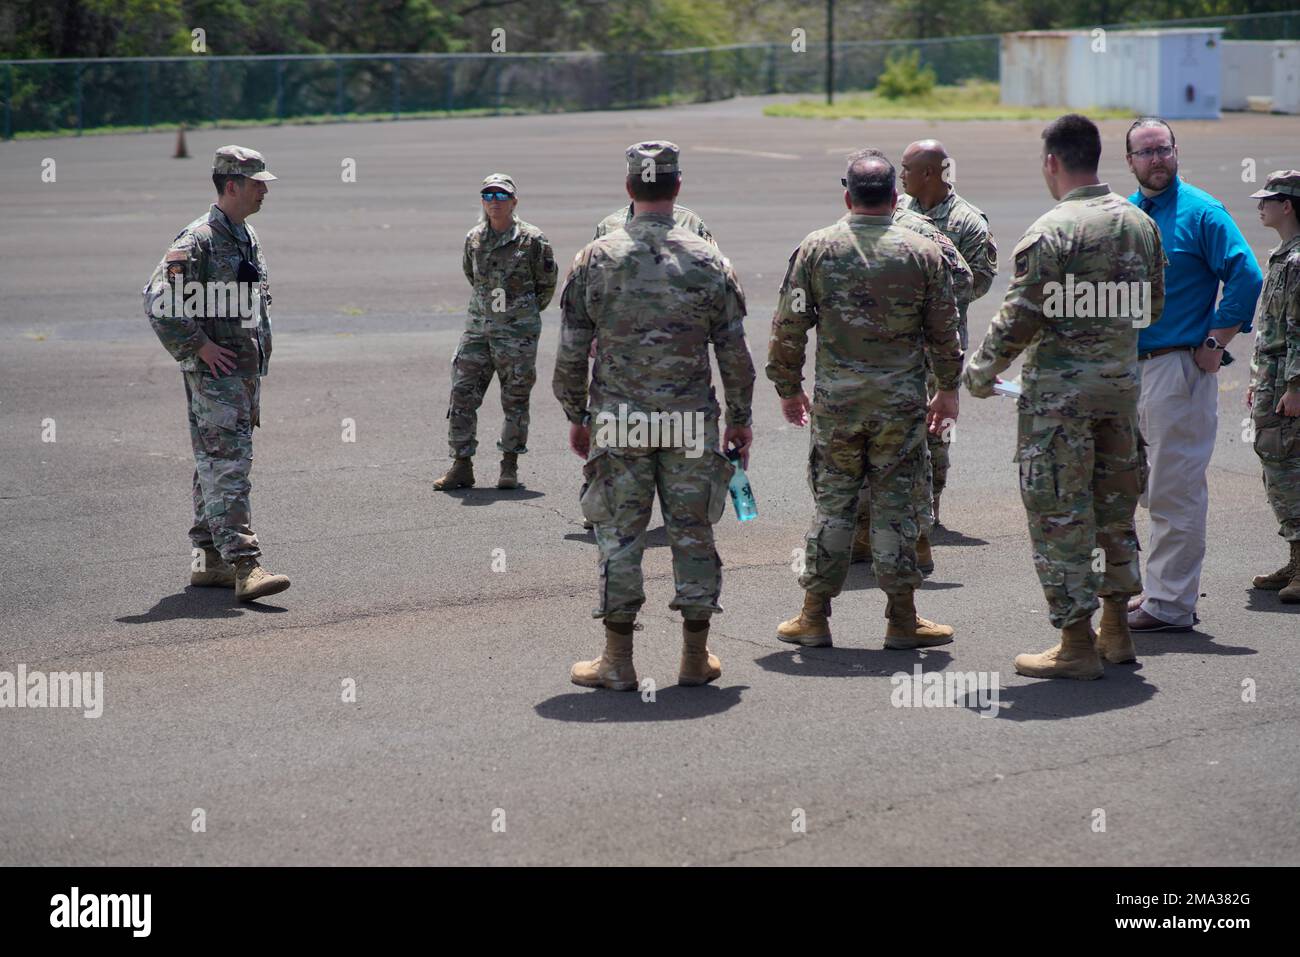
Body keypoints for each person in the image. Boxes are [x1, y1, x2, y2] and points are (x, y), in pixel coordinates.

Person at [965, 114, 1166, 679]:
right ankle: (1117, 631)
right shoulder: (1138, 223)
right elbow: (1151, 309)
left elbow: (1019, 318)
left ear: (1052, 162)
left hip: (1060, 405)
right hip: (1120, 396)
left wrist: (981, 374)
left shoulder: (1052, 230)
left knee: (1060, 515)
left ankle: (1076, 646)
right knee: (1114, 510)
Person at [554, 141, 755, 690]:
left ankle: (618, 661)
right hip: (691, 419)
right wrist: (740, 419)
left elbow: (572, 350)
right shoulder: (710, 257)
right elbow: (734, 352)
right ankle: (695, 656)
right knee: (692, 532)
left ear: (628, 189)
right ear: (677, 188)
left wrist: (578, 414)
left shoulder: (595, 256)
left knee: (620, 535)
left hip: (620, 419)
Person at [769, 149, 962, 650]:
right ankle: (902, 620)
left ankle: (814, 616)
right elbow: (945, 331)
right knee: (896, 508)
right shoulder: (923, 251)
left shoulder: (817, 248)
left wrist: (788, 388)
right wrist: (947, 391)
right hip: (899, 406)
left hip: (838, 406)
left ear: (847, 196)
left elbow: (789, 326)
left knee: (834, 505)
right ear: (896, 198)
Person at [1123, 118, 1264, 633]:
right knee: (1138, 487)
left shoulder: (1201, 212)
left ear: (1176, 152)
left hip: (1175, 369)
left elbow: (1247, 275)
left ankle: (1171, 604)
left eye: (1163, 149)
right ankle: (1154, 590)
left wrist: (1214, 343)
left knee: (1174, 490)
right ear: (1130, 162)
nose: (1156, 159)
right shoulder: (1126, 215)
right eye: (1145, 152)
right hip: (1126, 373)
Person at [142, 145, 289, 602]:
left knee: (213, 462)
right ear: (231, 186)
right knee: (229, 466)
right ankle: (246, 566)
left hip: (242, 375)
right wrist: (200, 345)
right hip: (216, 379)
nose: (264, 190)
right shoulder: (198, 239)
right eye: (256, 183)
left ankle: (208, 562)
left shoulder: (245, 235)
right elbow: (157, 300)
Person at [581, 193, 720, 532]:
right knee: (612, 426)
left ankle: (687, 506)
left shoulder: (691, 225)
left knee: (679, 435)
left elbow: (715, 282)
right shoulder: (609, 226)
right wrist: (595, 331)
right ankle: (602, 503)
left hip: (676, 359)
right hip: (623, 360)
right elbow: (591, 286)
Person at [849, 204, 973, 573]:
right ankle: (868, 534)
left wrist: (927, 316)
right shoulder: (849, 235)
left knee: (906, 451)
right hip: (883, 363)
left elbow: (963, 278)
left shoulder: (913, 229)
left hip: (904, 361)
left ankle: (916, 538)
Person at [899, 139, 999, 529]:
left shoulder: (967, 221)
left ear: (927, 173)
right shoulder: (898, 210)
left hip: (941, 344)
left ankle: (931, 507)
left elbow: (982, 280)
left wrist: (930, 297)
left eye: (906, 168)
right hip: (899, 340)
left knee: (936, 429)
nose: (901, 174)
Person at [434, 174, 557, 492]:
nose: (494, 201)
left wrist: (522, 315)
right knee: (461, 395)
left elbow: (546, 284)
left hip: (518, 334)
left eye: (501, 196)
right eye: (488, 195)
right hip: (478, 331)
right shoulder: (474, 238)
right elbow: (471, 275)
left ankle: (509, 466)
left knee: (515, 399)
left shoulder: (533, 239)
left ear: (514, 201)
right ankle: (462, 465)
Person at [1246, 170, 1300, 602]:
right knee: (1276, 465)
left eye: (1269, 199)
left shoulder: (1298, 262)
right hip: (1272, 376)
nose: (1260, 204)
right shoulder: (1283, 255)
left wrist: (1295, 384)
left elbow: (1298, 329)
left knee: (1289, 467)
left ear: (1288, 206)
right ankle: (1295, 556)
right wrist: (1255, 379)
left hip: (1287, 378)